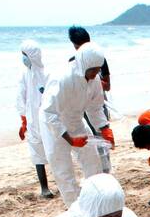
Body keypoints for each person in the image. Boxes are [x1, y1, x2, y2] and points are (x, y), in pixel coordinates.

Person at [40, 43, 111, 205]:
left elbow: (95, 107)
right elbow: (48, 113)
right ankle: (75, 209)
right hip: (53, 125)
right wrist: (70, 139)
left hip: (76, 120)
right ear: (84, 64)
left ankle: (98, 201)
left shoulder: (94, 81)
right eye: (92, 70)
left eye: (98, 70)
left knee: (93, 161)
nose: (95, 74)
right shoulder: (62, 79)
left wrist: (104, 128)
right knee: (64, 172)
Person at [68, 26, 114, 175]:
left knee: (102, 139)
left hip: (97, 103)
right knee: (88, 142)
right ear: (74, 46)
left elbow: (107, 86)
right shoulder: (72, 64)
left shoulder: (99, 60)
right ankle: (94, 172)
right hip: (81, 108)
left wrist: (94, 81)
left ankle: (106, 171)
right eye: (79, 46)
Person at [17, 40, 55, 199]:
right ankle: (44, 187)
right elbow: (21, 99)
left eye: (24, 55)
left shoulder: (47, 74)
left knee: (54, 151)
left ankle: (61, 180)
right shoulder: (24, 76)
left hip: (47, 119)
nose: (23, 58)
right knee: (36, 154)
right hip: (32, 121)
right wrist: (24, 122)